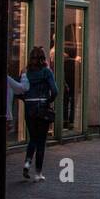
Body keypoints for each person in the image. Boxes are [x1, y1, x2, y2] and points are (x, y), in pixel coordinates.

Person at [21, 46, 58, 180]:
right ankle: (38, 173)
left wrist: (26, 100)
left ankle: (27, 163)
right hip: (42, 107)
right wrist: (49, 100)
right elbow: (55, 91)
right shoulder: (47, 72)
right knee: (41, 141)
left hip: (29, 107)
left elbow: (21, 90)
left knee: (33, 138)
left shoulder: (26, 72)